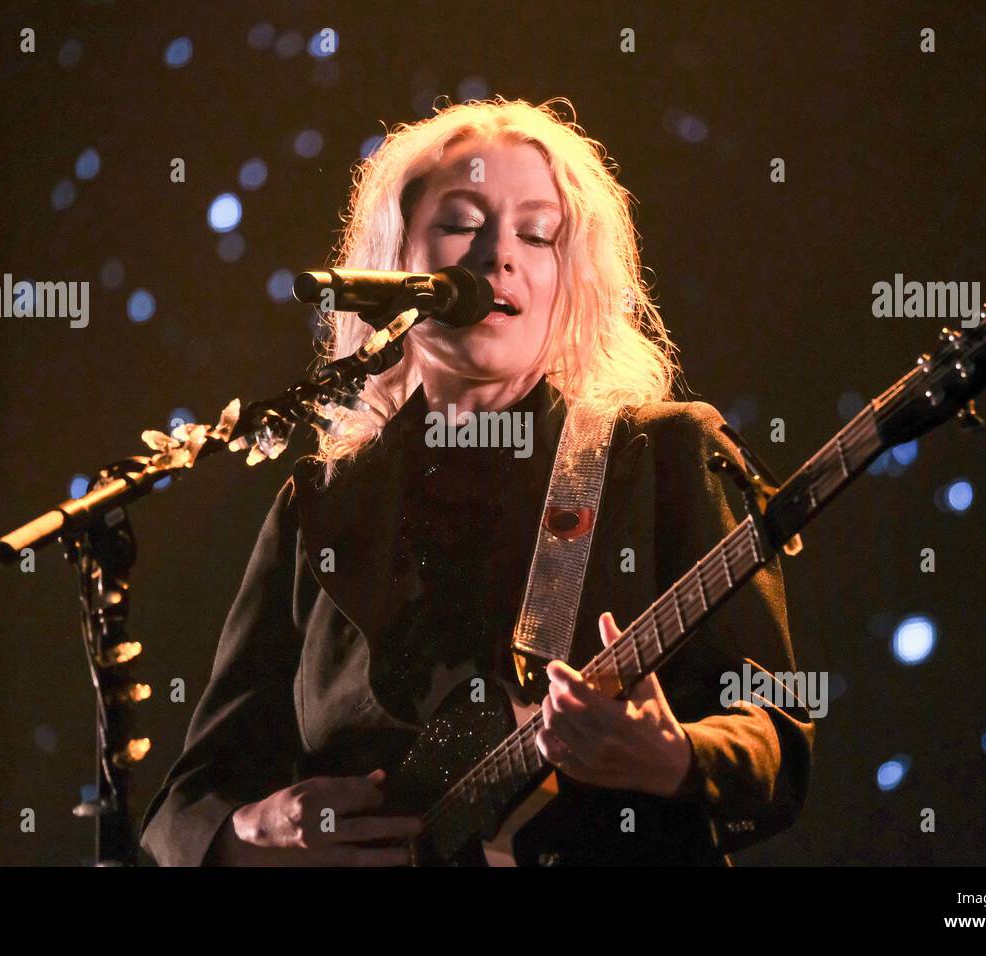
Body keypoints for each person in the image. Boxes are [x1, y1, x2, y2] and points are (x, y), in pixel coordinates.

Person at [140, 97, 815, 866]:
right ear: (396, 266)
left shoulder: (657, 456)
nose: (499, 254)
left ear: (572, 279)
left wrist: (677, 757)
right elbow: (184, 805)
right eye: (461, 223)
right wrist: (260, 828)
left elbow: (778, 734)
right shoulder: (322, 505)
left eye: (537, 233)